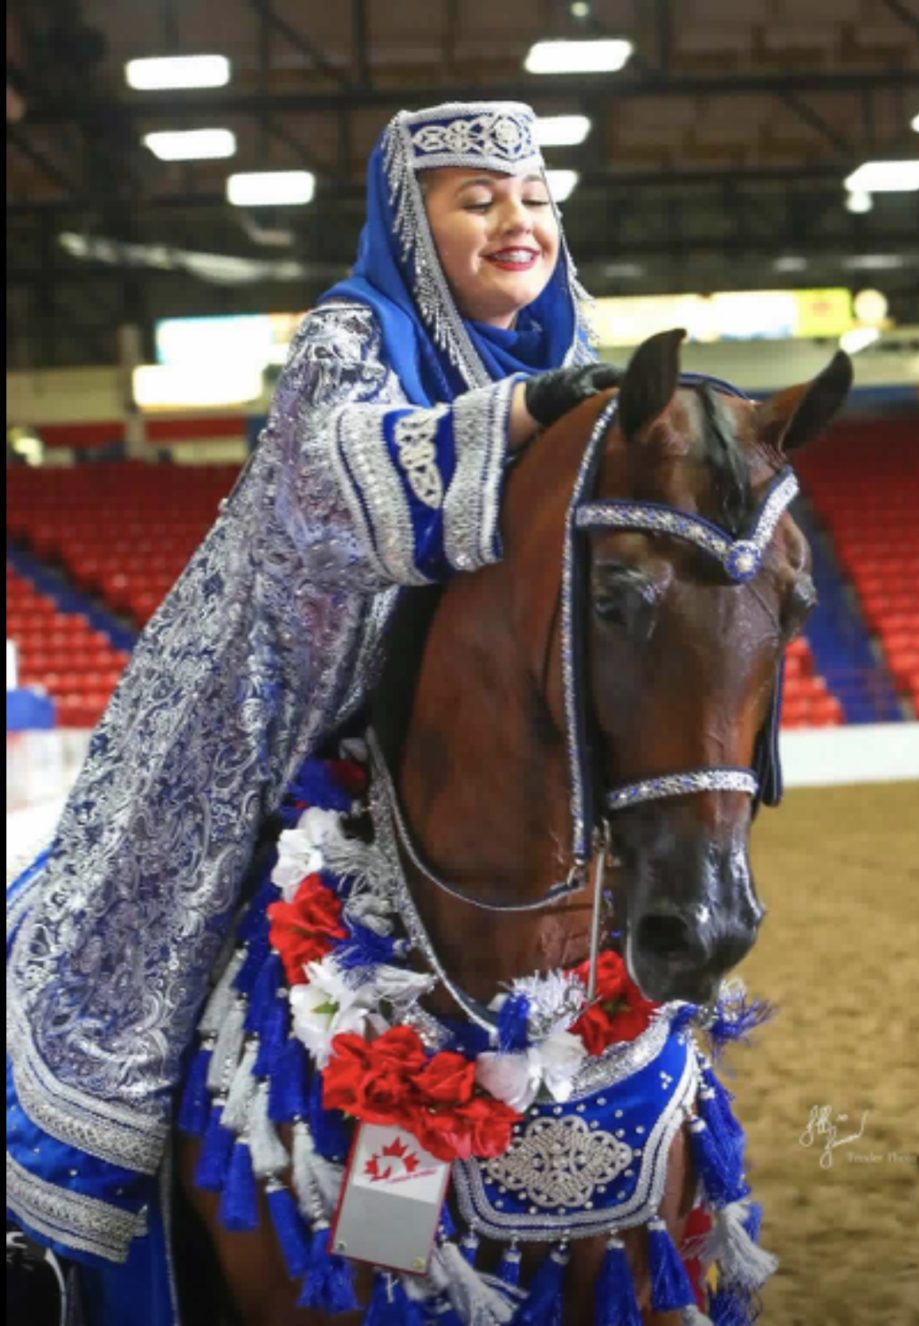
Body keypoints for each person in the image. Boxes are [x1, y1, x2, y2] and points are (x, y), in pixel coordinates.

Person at [5, 100, 619, 1302]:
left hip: (480, 759)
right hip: (293, 741)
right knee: (209, 979)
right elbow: (340, 477)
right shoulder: (354, 330)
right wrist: (531, 417)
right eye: (478, 197)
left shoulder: (572, 352)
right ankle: (91, 1240)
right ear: (410, 218)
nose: (519, 220)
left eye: (537, 199)